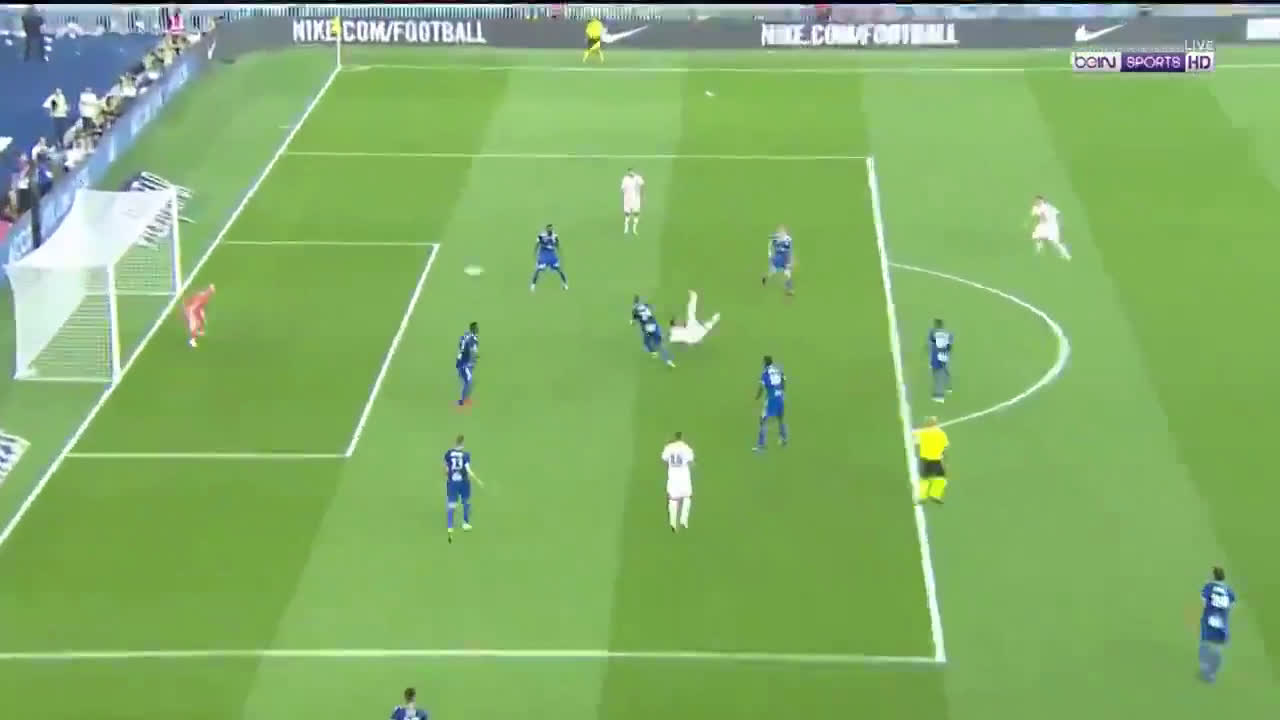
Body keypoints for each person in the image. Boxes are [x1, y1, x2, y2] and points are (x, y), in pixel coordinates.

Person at [1198, 566, 1236, 683]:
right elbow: (1232, 605)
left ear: (1213, 576)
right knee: (1217, 650)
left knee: (1204, 645)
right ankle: (1212, 673)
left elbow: (1204, 601)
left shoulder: (1209, 587)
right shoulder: (1229, 591)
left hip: (1209, 622)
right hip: (1222, 625)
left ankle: (1205, 669)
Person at [443, 435, 482, 543]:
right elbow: (468, 470)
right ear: (463, 443)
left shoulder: (448, 453)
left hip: (452, 482)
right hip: (464, 482)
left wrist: (448, 476)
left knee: (451, 503)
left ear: (455, 442)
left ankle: (450, 526)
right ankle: (465, 523)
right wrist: (477, 480)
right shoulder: (466, 455)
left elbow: (446, 468)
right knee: (465, 501)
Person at [661, 431, 695, 532]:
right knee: (687, 497)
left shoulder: (669, 447)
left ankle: (673, 522)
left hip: (673, 476)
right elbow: (691, 460)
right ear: (682, 438)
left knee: (672, 499)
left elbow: (664, 459)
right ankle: (683, 520)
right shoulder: (686, 447)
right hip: (684, 476)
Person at [754, 356, 788, 450]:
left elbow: (761, 388)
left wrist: (757, 396)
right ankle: (784, 438)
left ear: (765, 363)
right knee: (780, 418)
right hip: (780, 397)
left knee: (763, 421)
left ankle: (761, 444)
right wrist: (782, 391)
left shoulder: (765, 374)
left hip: (772, 399)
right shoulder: (778, 370)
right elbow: (784, 379)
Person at [631, 296, 675, 367]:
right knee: (658, 344)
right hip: (654, 326)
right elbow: (651, 307)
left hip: (648, 329)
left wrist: (632, 322)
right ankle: (668, 361)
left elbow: (634, 321)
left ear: (634, 303)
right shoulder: (645, 305)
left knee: (647, 343)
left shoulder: (635, 311)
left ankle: (654, 352)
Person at [913, 416, 949, 504]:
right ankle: (935, 495)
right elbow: (945, 448)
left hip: (924, 460)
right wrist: (945, 460)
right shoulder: (941, 433)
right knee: (941, 478)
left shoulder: (922, 432)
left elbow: (915, 442)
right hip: (936, 460)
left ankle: (922, 497)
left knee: (924, 479)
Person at [530, 224, 569, 291]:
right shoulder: (541, 236)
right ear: (546, 230)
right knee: (538, 269)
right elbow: (537, 245)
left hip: (551, 254)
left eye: (551, 229)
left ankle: (565, 284)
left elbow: (557, 246)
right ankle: (533, 285)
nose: (550, 230)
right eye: (549, 229)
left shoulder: (555, 236)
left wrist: (560, 254)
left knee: (559, 269)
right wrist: (535, 254)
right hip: (544, 254)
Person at [1030, 195, 1070, 260]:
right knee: (1038, 238)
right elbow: (1036, 217)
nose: (1037, 202)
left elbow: (1057, 215)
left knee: (1056, 242)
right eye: (1036, 201)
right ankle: (1038, 253)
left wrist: (1060, 226)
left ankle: (1067, 256)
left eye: (1038, 201)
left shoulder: (1047, 207)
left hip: (1051, 226)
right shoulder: (1036, 208)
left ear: (1042, 201)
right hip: (1043, 226)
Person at [761, 225, 795, 295]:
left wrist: (790, 260)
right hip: (778, 258)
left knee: (788, 274)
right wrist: (770, 255)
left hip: (786, 258)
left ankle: (789, 290)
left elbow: (790, 249)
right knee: (773, 271)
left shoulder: (788, 239)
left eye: (783, 232)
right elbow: (770, 245)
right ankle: (766, 277)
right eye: (780, 232)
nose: (782, 233)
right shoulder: (775, 238)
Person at [927, 318, 953, 402]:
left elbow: (932, 342)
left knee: (937, 375)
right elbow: (950, 345)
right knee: (945, 371)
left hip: (937, 356)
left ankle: (939, 396)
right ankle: (948, 387)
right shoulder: (947, 333)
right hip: (944, 355)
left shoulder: (934, 333)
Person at [456, 322, 479, 407]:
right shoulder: (471, 340)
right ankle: (462, 400)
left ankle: (464, 398)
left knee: (468, 380)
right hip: (464, 364)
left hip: (463, 362)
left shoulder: (466, 338)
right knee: (468, 381)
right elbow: (471, 351)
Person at [621, 168, 644, 235]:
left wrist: (642, 196)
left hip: (636, 199)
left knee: (636, 214)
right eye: (630, 172)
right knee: (627, 214)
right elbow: (622, 189)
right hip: (627, 200)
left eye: (632, 171)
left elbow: (642, 185)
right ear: (628, 172)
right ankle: (626, 228)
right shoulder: (625, 179)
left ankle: (634, 230)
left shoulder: (638, 178)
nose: (631, 173)